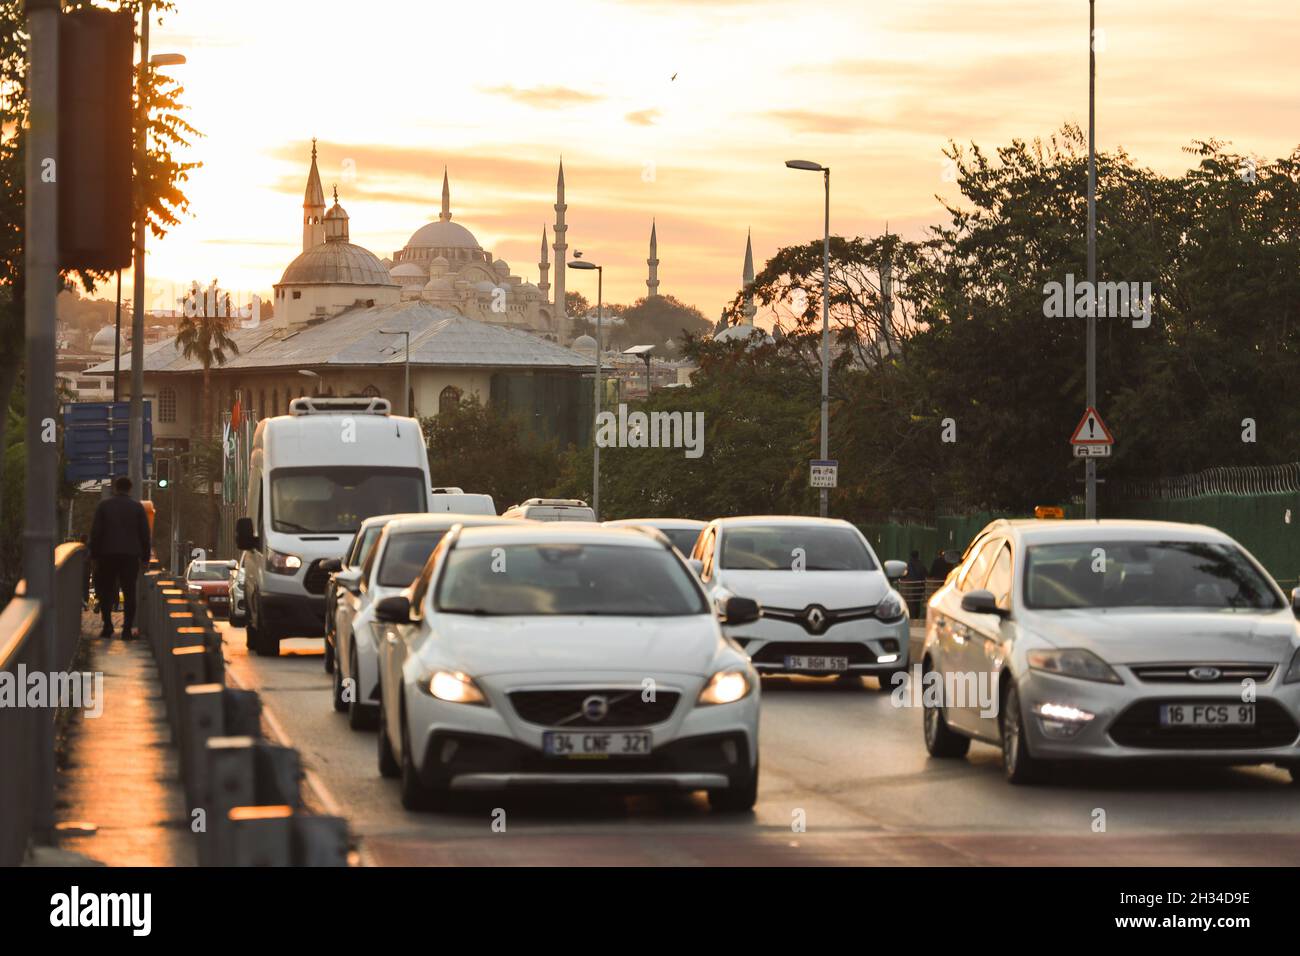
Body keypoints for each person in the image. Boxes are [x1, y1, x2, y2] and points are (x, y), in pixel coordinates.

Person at [89, 475, 151, 639]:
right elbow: (145, 535)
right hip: (130, 556)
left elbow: (96, 533)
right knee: (130, 592)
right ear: (130, 489)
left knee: (106, 591)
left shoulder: (104, 506)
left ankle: (108, 625)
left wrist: (94, 556)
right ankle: (127, 630)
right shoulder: (137, 508)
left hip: (106, 554)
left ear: (115, 488)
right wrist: (145, 558)